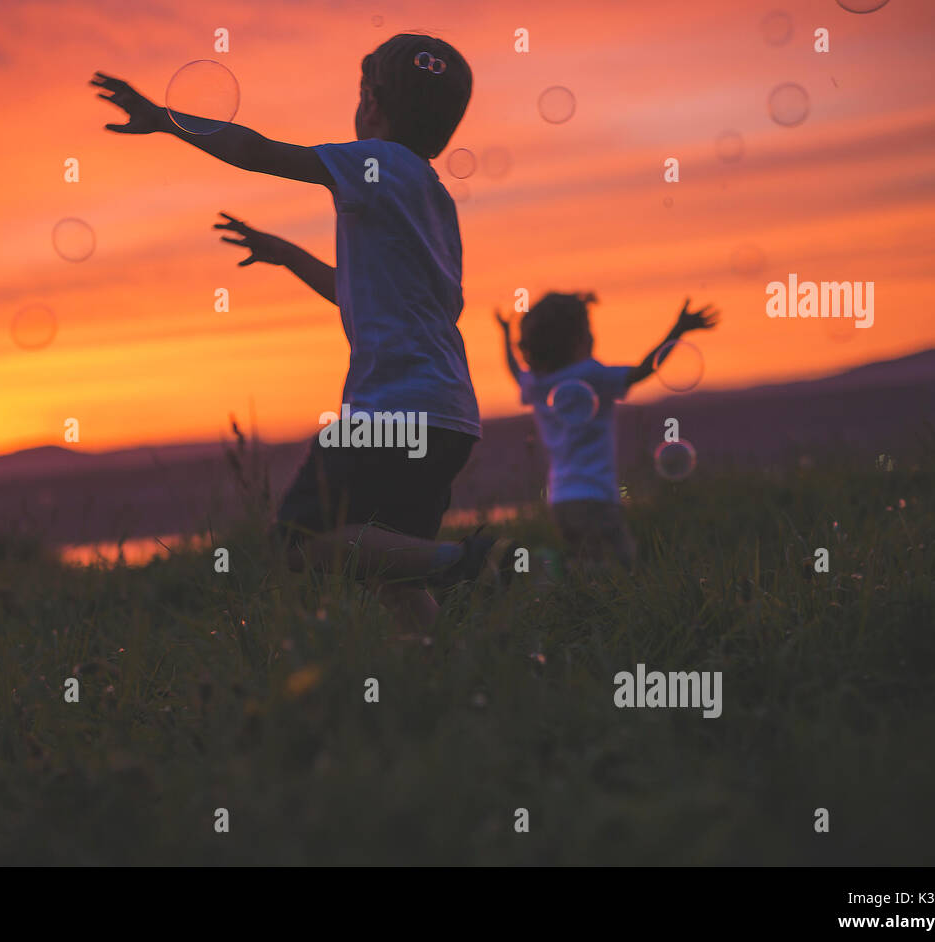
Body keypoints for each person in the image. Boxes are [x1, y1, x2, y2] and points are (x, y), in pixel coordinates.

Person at [93, 34, 491, 632]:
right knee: (390, 567)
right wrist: (285, 253)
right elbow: (359, 292)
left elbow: (257, 150)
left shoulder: (372, 163)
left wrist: (164, 120)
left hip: (391, 411)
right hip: (450, 418)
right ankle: (450, 664)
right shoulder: (433, 199)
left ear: (373, 103)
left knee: (299, 542)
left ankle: (460, 561)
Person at [497, 292, 718, 571]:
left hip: (561, 500)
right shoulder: (592, 374)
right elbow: (642, 371)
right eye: (588, 329)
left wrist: (504, 334)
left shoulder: (537, 384)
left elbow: (514, 370)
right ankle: (550, 571)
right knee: (624, 563)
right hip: (596, 496)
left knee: (588, 561)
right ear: (579, 340)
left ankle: (553, 573)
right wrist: (679, 329)